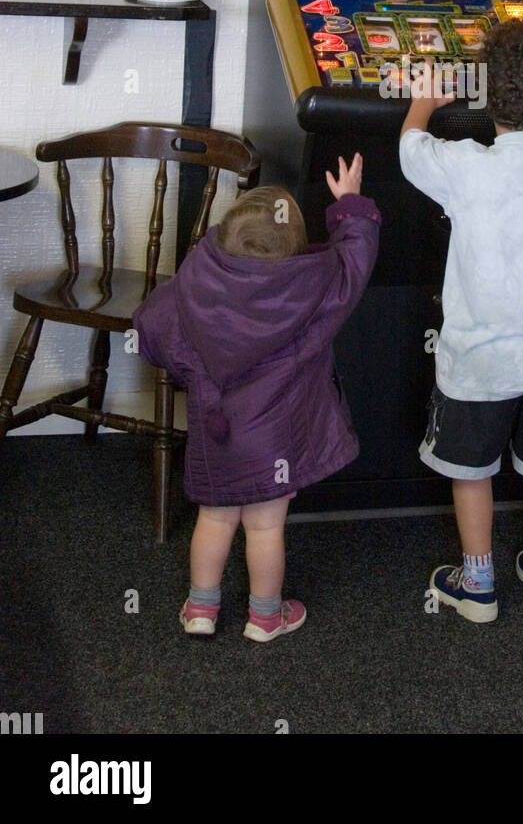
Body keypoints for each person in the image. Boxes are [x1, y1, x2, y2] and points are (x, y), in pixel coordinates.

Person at [399, 18, 523, 623]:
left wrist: (421, 105)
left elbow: (411, 152)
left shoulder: (463, 165)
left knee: (471, 471)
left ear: (486, 91)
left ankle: (478, 583)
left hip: (478, 357)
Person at [132, 155, 379, 642]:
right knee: (266, 529)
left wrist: (189, 370)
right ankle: (266, 616)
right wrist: (349, 203)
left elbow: (148, 329)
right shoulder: (315, 286)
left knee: (214, 518)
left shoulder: (191, 286)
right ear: (291, 250)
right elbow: (356, 260)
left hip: (215, 434)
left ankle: (201, 610)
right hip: (275, 447)